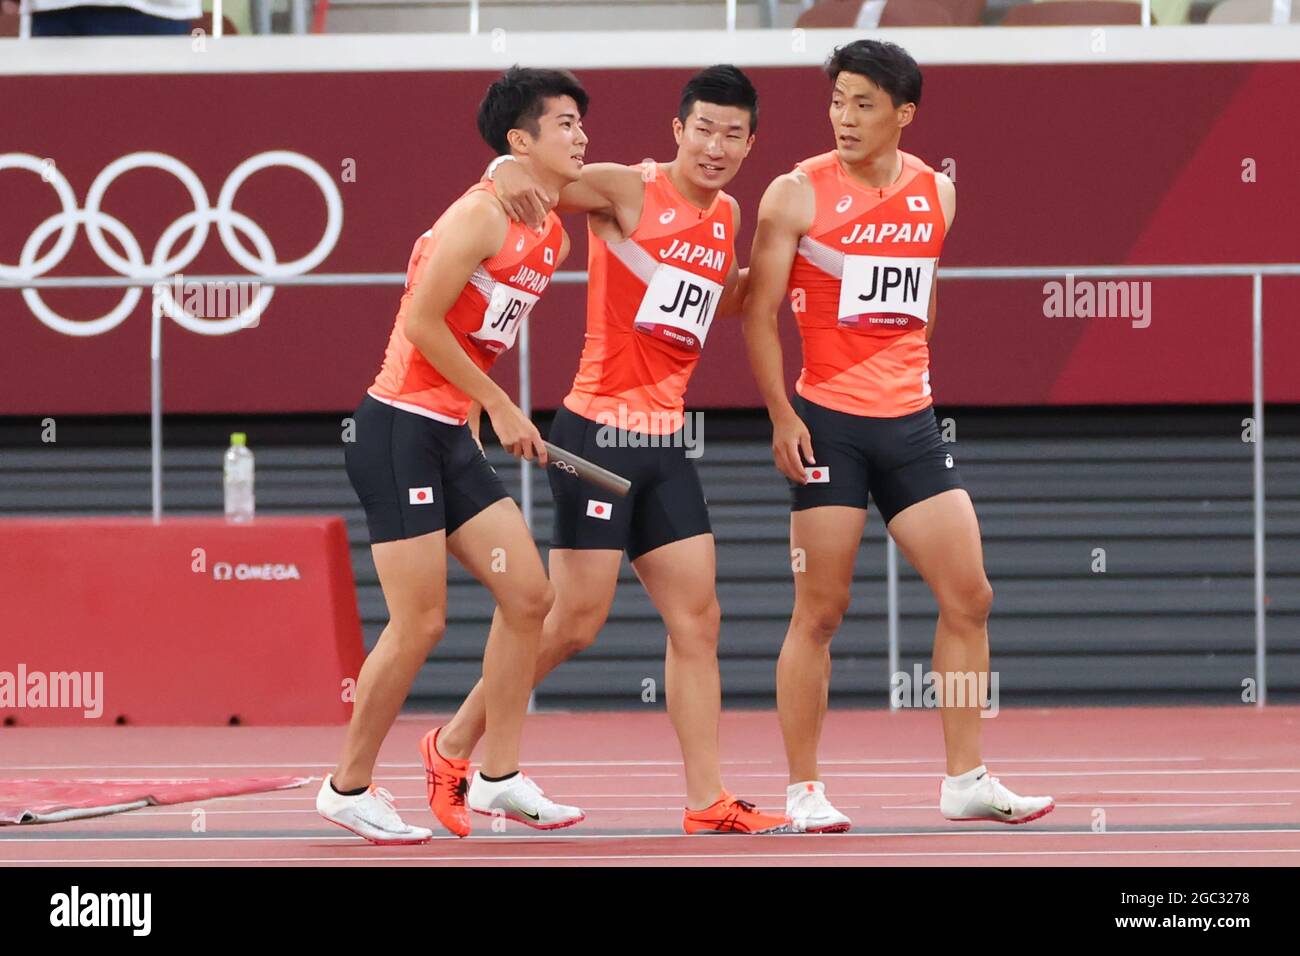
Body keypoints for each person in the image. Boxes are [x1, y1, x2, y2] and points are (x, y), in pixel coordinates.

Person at [422, 65, 790, 836]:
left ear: (751, 143)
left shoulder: (726, 215)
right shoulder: (627, 188)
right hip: (598, 436)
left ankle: (706, 800)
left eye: (733, 134)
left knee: (699, 621)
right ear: (678, 130)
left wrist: (779, 276)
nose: (716, 146)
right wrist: (498, 165)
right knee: (573, 623)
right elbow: (531, 179)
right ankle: (454, 744)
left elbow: (713, 299)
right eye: (704, 129)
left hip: (666, 440)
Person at [742, 39, 1055, 832]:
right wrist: (781, 413)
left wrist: (916, 377)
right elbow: (758, 312)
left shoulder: (937, 193)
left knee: (971, 596)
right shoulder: (795, 194)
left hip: (910, 424)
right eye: (837, 101)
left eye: (863, 104)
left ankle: (965, 777)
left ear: (904, 114)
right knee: (820, 611)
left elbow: (922, 298)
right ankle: (805, 790)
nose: (844, 117)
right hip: (828, 426)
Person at [317, 67, 591, 843]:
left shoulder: (553, 227)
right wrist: (500, 404)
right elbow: (424, 322)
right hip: (399, 429)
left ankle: (497, 774)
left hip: (448, 434)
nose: (580, 137)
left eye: (580, 123)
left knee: (530, 597)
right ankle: (348, 786)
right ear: (519, 140)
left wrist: (473, 413)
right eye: (564, 124)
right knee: (421, 623)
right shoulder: (480, 215)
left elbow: (481, 328)